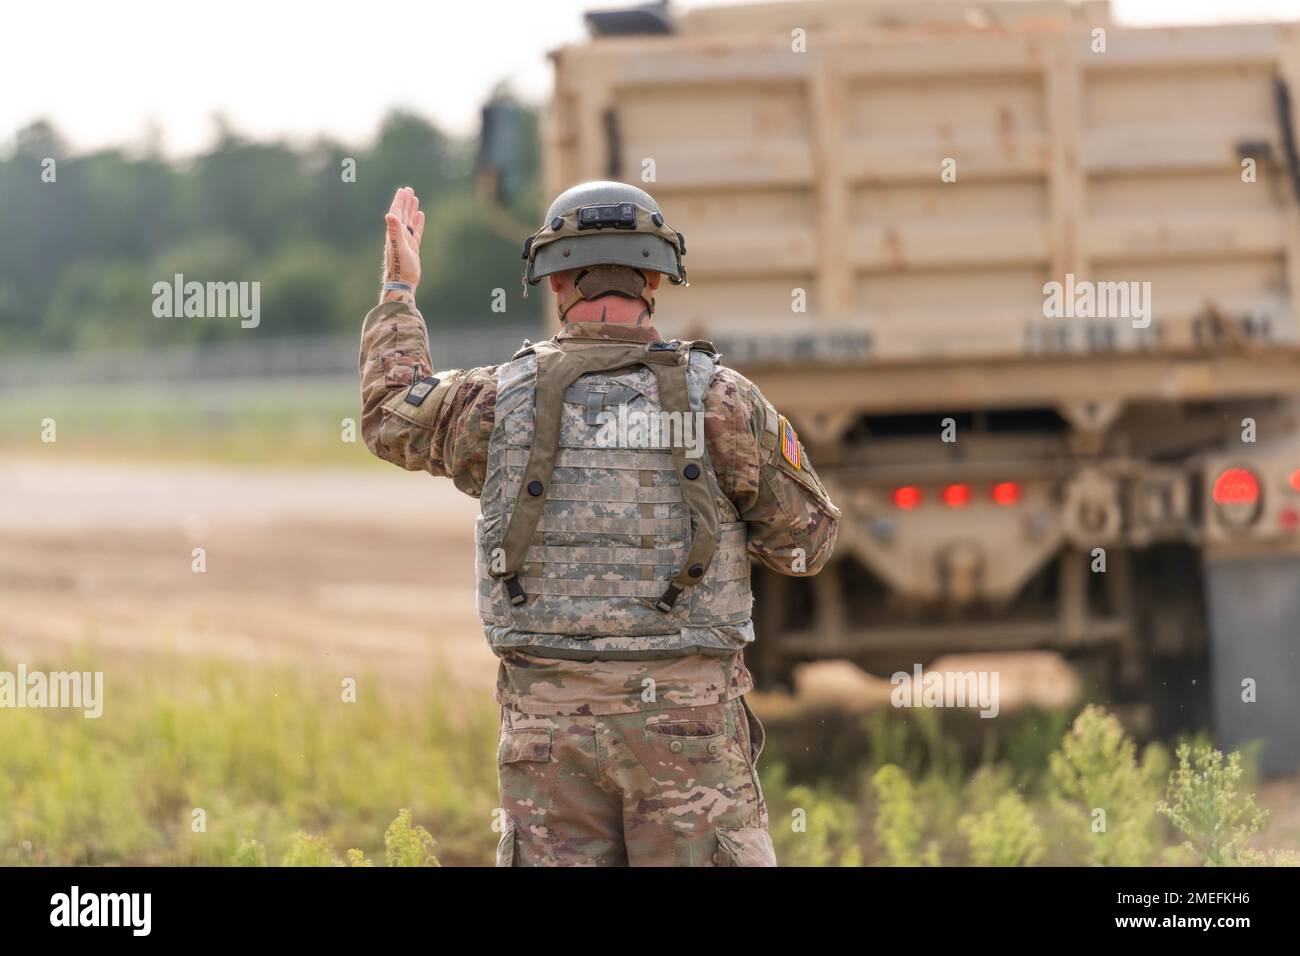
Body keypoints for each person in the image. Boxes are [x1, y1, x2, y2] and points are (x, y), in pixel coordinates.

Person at [359, 180, 840, 866]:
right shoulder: (723, 400)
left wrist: (400, 292)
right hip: (688, 727)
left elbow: (386, 415)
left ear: (555, 283)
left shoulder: (492, 401)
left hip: (548, 728)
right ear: (654, 277)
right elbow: (807, 542)